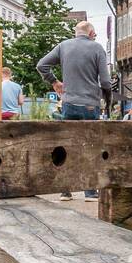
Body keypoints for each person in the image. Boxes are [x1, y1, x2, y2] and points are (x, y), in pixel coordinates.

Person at [36, 22, 112, 198]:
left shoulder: (64, 46)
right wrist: (107, 102)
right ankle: (90, 192)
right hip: (90, 105)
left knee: (67, 146)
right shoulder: (97, 48)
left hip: (69, 104)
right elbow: (106, 82)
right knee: (90, 146)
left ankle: (65, 190)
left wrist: (54, 82)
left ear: (75, 33)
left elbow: (41, 65)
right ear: (92, 33)